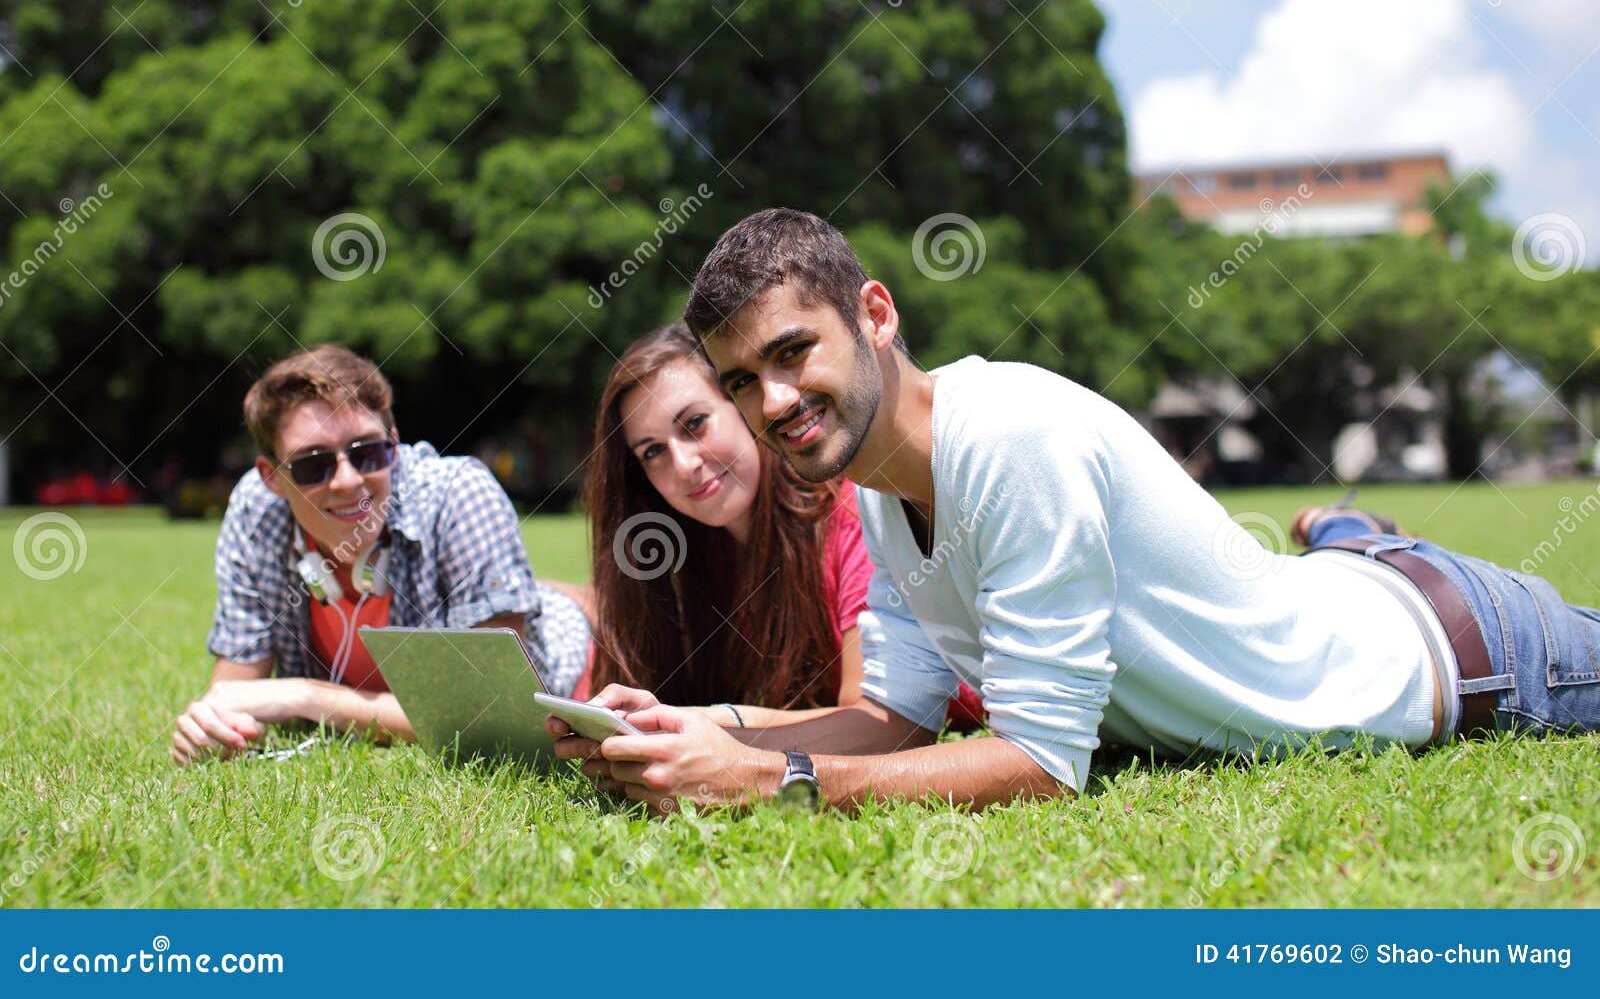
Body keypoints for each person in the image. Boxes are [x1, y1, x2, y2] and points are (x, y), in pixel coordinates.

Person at [554, 207, 1600, 812]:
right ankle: (1340, 527)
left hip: (1470, 651)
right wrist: (701, 726)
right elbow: (892, 718)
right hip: (1353, 592)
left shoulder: (1005, 435)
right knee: (1323, 555)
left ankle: (1351, 531)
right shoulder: (874, 487)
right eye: (742, 380)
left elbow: (1046, 762)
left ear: (874, 314)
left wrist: (769, 779)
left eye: (792, 354)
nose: (772, 402)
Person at [171, 344, 590, 764]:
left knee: (593, 606)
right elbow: (236, 690)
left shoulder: (458, 494)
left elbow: (495, 715)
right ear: (271, 477)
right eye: (313, 466)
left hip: (582, 654)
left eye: (367, 453)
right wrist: (212, 725)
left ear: (394, 444)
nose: (348, 481)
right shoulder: (256, 509)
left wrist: (307, 695)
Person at [567, 322, 982, 729]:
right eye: (652, 451)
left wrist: (715, 723)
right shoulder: (694, 551)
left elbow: (872, 716)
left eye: (694, 424)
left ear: (746, 406)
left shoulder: (850, 513)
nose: (683, 464)